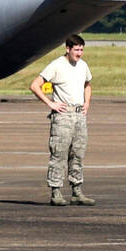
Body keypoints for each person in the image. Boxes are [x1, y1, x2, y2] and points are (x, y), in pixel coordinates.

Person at [29, 34, 95, 206]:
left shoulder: (82, 65)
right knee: (59, 154)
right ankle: (56, 191)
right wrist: (51, 103)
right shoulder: (57, 65)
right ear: (68, 49)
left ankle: (76, 190)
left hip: (79, 114)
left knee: (78, 154)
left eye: (81, 49)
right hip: (63, 116)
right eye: (76, 50)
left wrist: (87, 102)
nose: (79, 53)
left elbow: (88, 84)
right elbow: (35, 85)